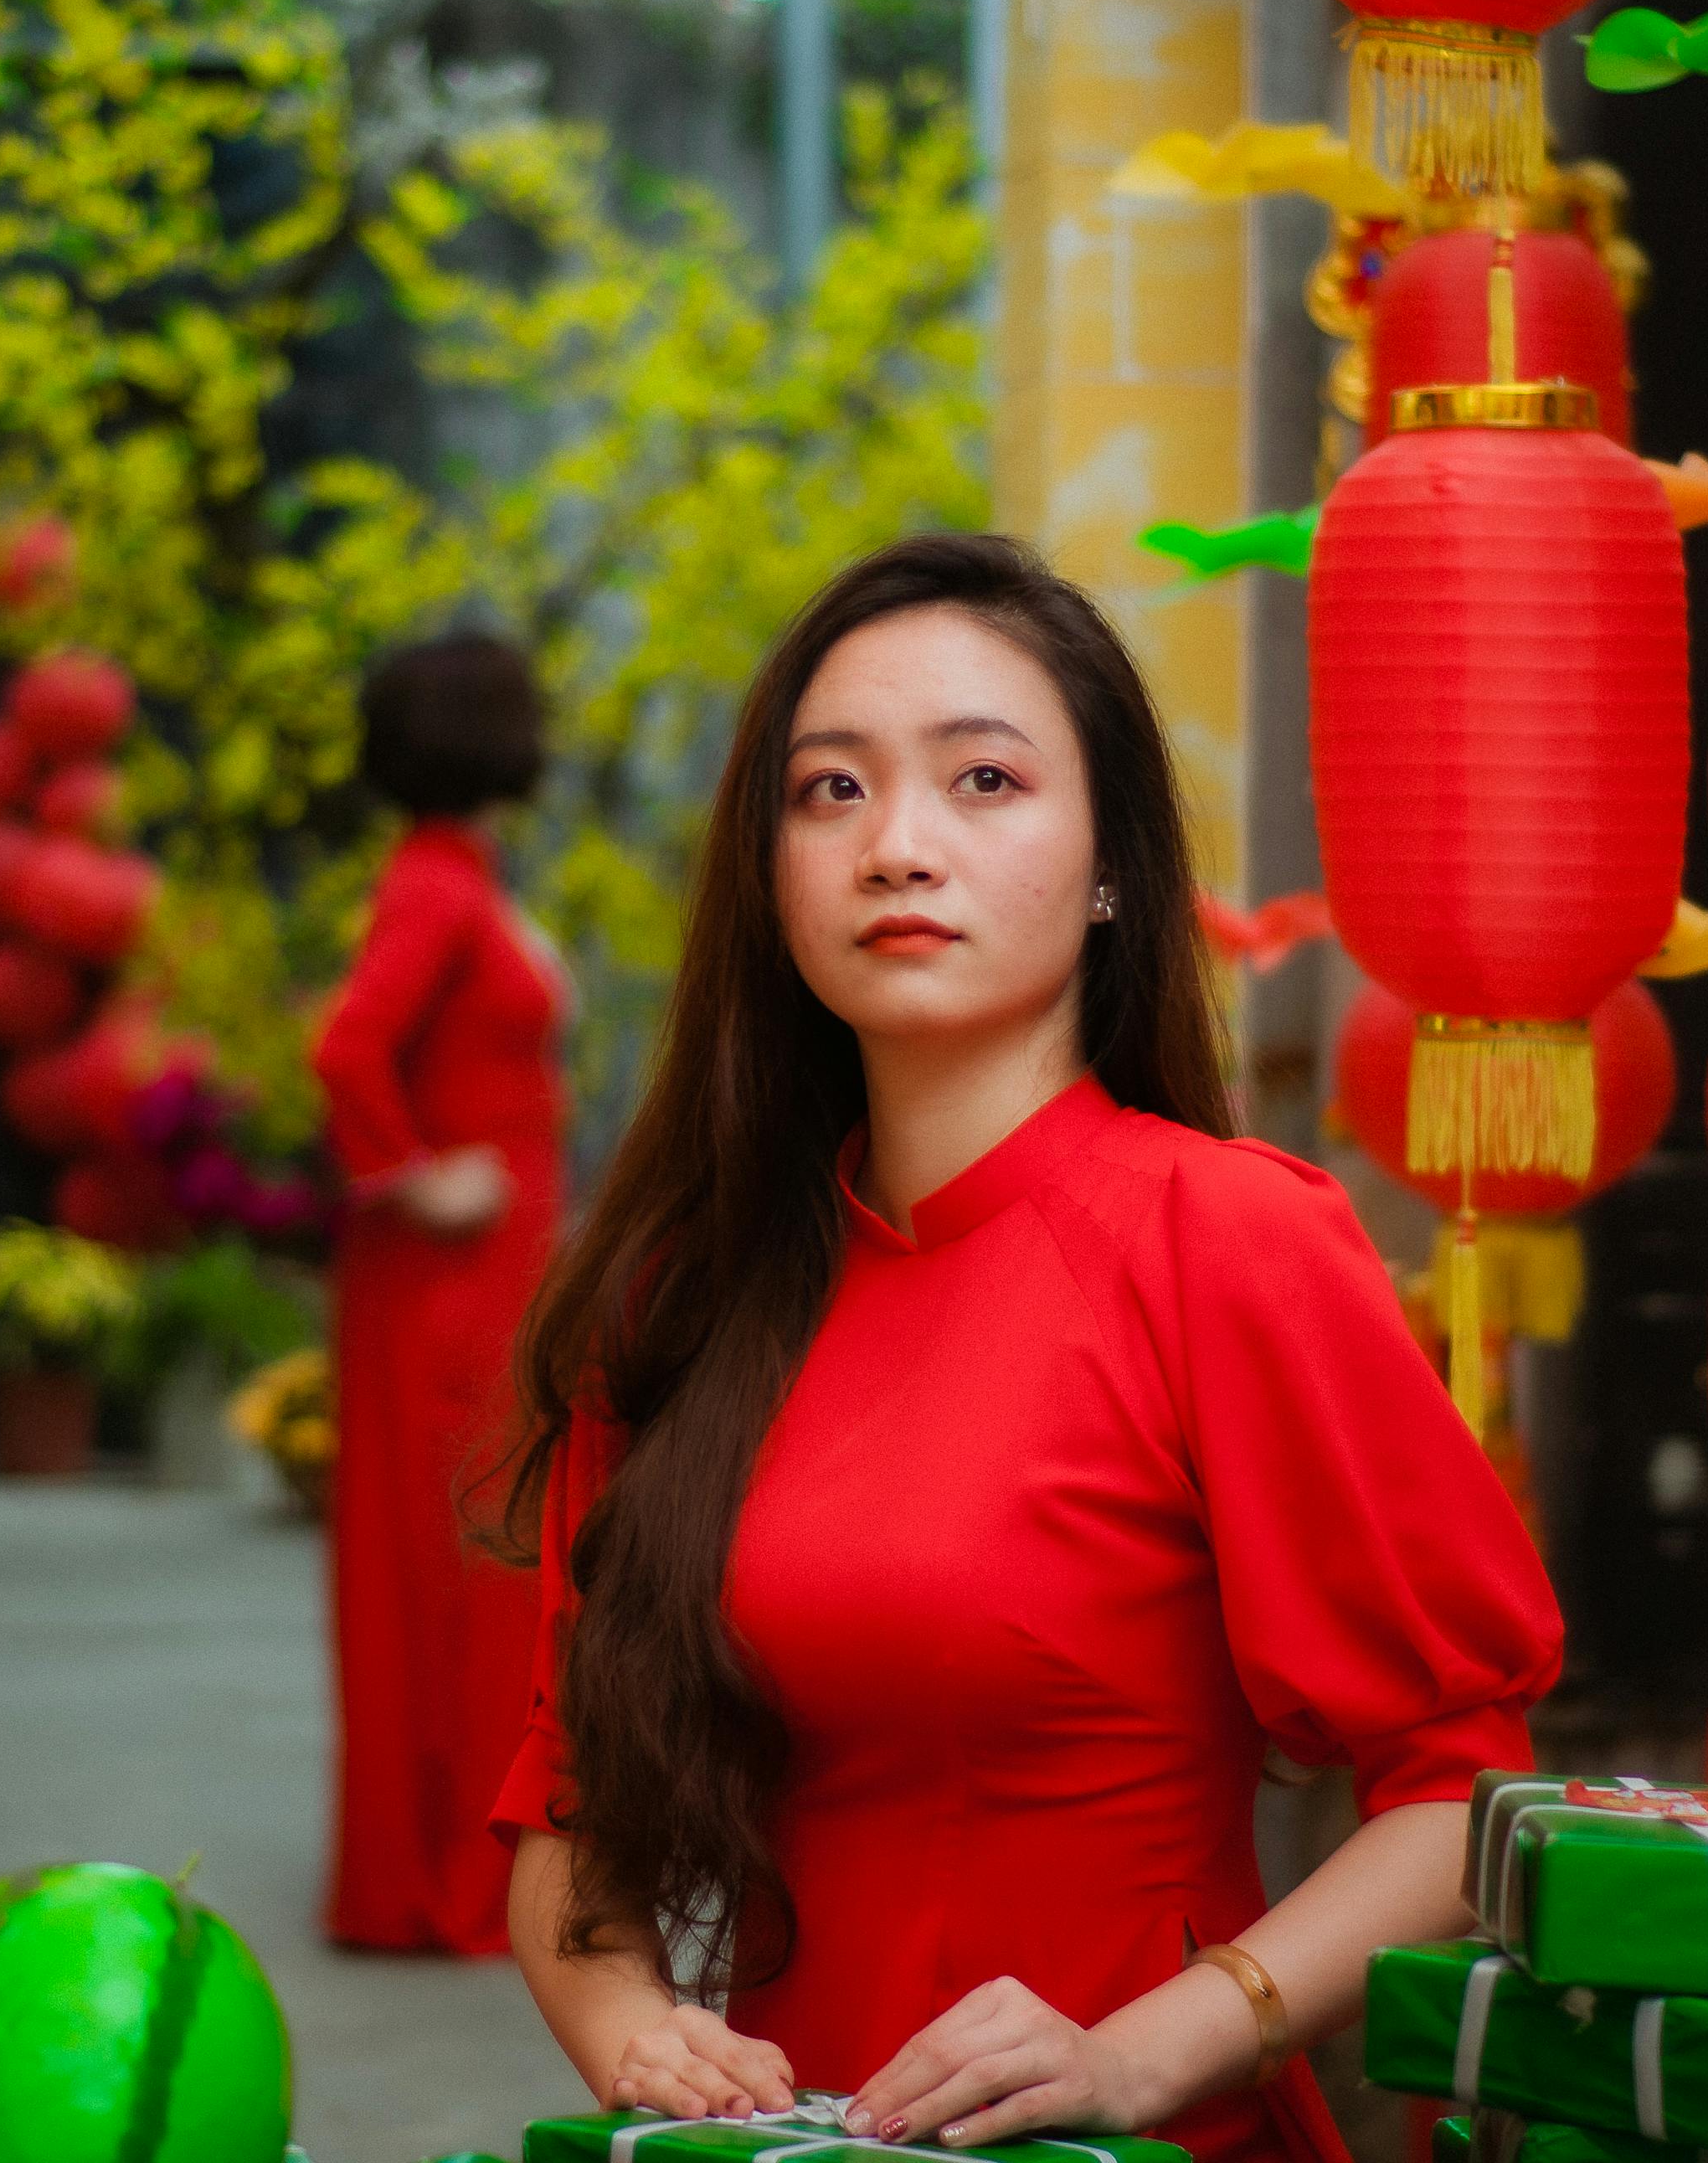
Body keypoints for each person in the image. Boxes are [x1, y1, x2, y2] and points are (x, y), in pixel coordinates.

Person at [491, 537, 1561, 2163]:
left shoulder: (1226, 1241)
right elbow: (571, 1809)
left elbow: (1460, 1796)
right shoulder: (680, 1301)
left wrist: (1141, 2051)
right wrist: (636, 2032)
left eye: (982, 779)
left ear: (1111, 860)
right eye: (830, 791)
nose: (896, 847)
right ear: (769, 872)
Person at [315, 631, 573, 1954]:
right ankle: (450, 1879)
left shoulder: (454, 876)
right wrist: (412, 1180)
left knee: (480, 1562)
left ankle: (460, 1868)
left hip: (489, 1274)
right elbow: (348, 1043)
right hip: (452, 1285)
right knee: (469, 1568)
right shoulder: (435, 886)